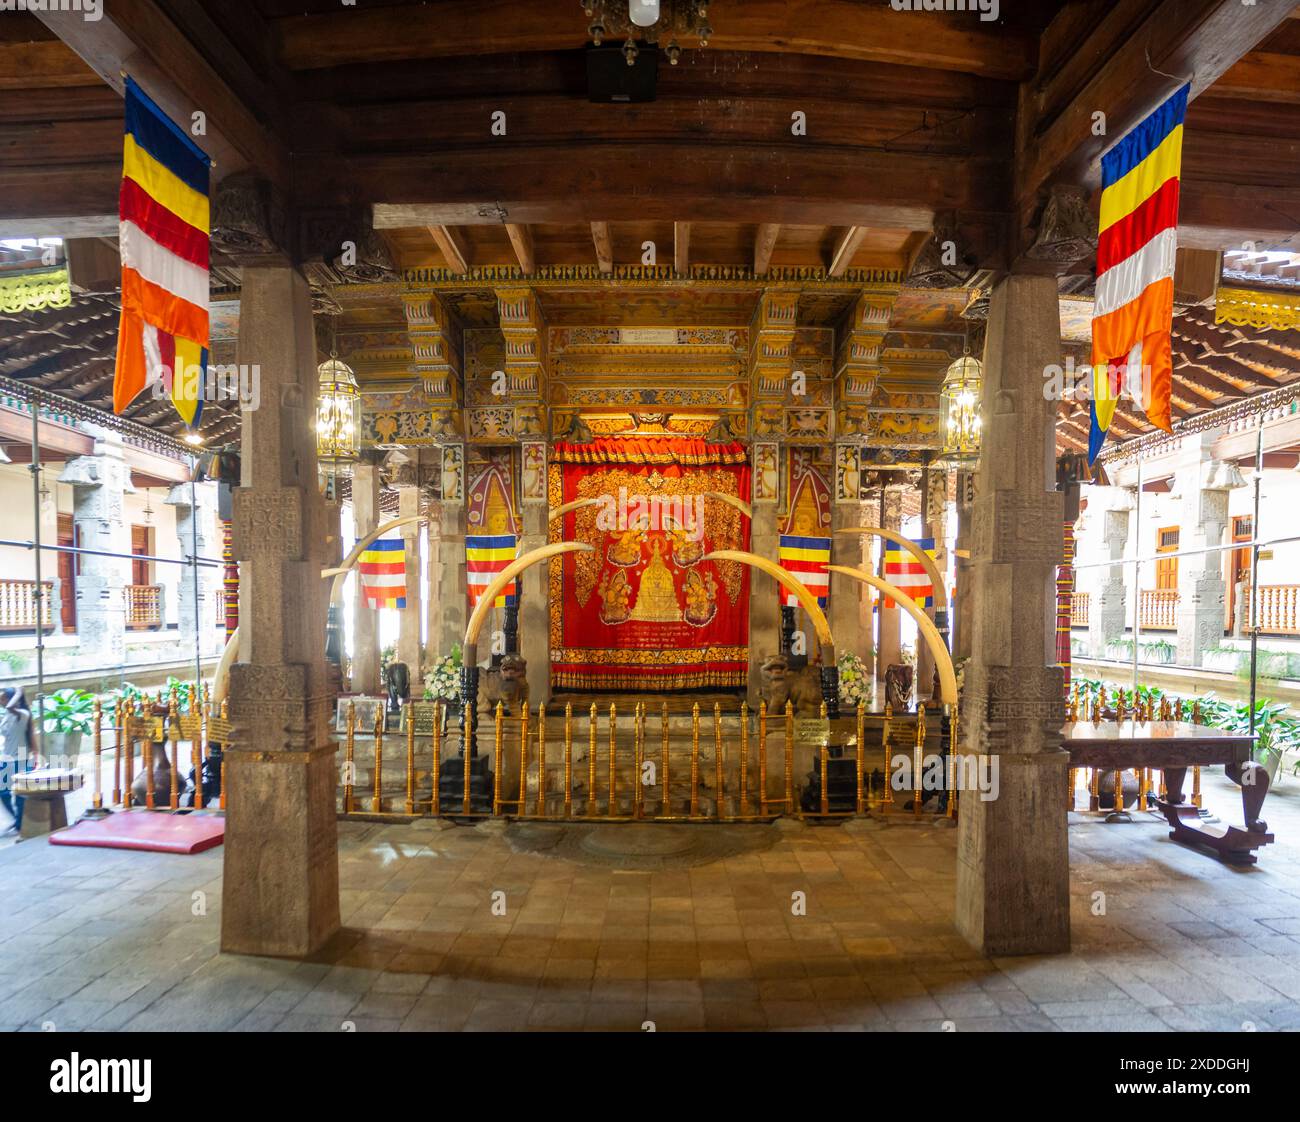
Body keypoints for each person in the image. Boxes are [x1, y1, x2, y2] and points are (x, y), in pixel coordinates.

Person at [0, 686, 36, 836]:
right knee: (3, 793)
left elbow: (10, 706)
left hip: (21, 760)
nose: (0, 700)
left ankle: (19, 825)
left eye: (3, 697)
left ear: (12, 699)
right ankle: (17, 821)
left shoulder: (23, 714)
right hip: (6, 760)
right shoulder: (7, 715)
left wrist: (20, 692)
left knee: (20, 795)